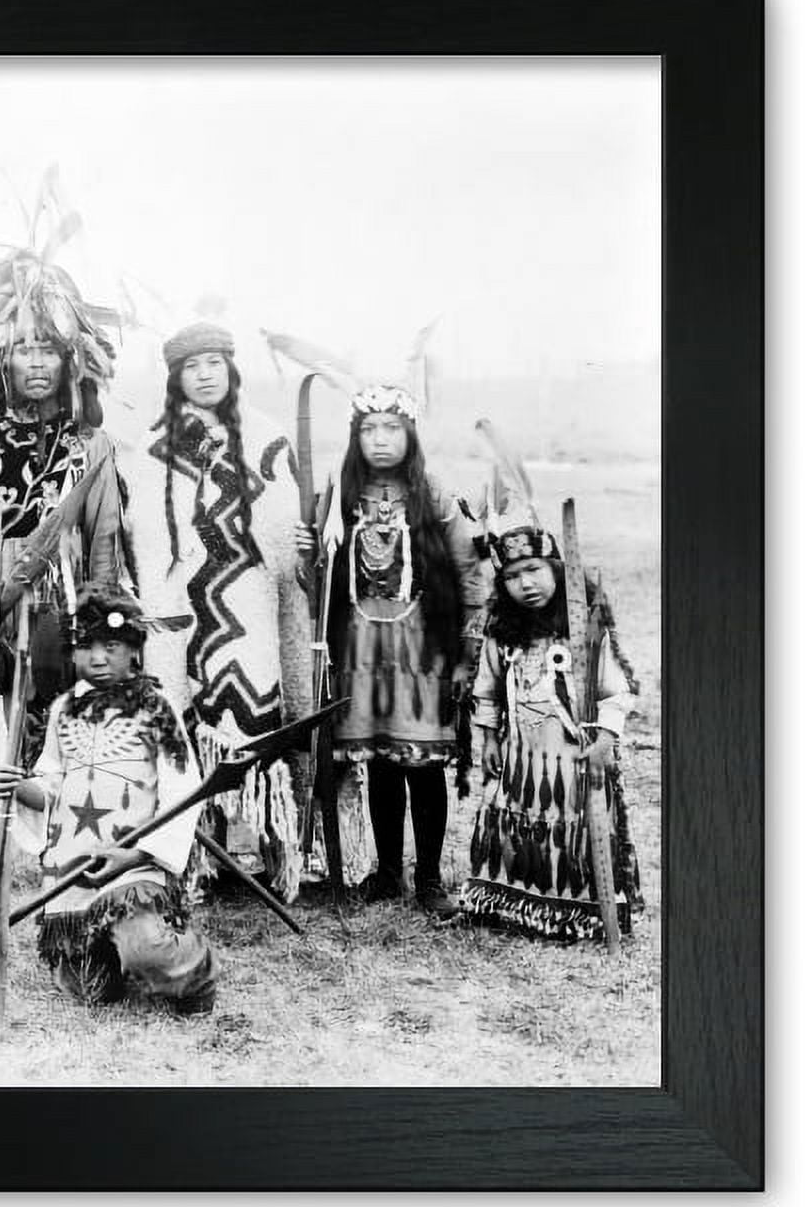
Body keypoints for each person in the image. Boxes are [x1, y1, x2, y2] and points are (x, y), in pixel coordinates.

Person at [0, 243, 126, 913]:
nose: (36, 361)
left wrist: (98, 620)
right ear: (3, 359)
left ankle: (60, 860)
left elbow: (103, 538)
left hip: (56, 606)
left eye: (47, 348)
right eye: (23, 348)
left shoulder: (90, 444)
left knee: (52, 732)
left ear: (69, 357)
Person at [125, 321, 314, 897]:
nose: (205, 374)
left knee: (253, 719)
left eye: (215, 362)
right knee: (180, 723)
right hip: (178, 608)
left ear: (232, 369)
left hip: (250, 603)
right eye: (192, 366)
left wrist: (301, 551)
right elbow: (143, 535)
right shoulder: (153, 447)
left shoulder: (265, 437)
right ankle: (192, 855)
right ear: (175, 377)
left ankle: (265, 849)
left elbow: (287, 530)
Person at [0, 583, 217, 1014]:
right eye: (88, 646)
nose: (98, 658)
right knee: (88, 991)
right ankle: (106, 956)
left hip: (131, 868)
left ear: (133, 649)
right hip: (73, 871)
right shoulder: (64, 710)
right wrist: (18, 786)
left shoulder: (157, 708)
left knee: (148, 952)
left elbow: (184, 790)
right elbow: (52, 787)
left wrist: (135, 855)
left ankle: (193, 972)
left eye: (111, 645)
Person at [324, 384, 486, 916]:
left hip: (422, 644)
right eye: (368, 429)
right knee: (380, 760)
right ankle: (388, 872)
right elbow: (321, 575)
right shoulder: (343, 496)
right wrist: (311, 547)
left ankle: (431, 878)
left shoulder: (432, 494)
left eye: (391, 428)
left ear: (410, 434)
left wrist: (466, 650)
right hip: (363, 646)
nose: (380, 440)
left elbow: (466, 568)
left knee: (422, 762)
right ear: (356, 438)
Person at [459, 508, 643, 938]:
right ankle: (511, 903)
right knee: (513, 817)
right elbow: (485, 689)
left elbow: (616, 689)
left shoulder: (584, 627)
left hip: (571, 756)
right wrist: (488, 738)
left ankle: (576, 911)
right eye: (513, 576)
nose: (526, 584)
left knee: (572, 828)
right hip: (519, 754)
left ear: (558, 569)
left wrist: (605, 738)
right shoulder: (500, 632)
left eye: (535, 570)